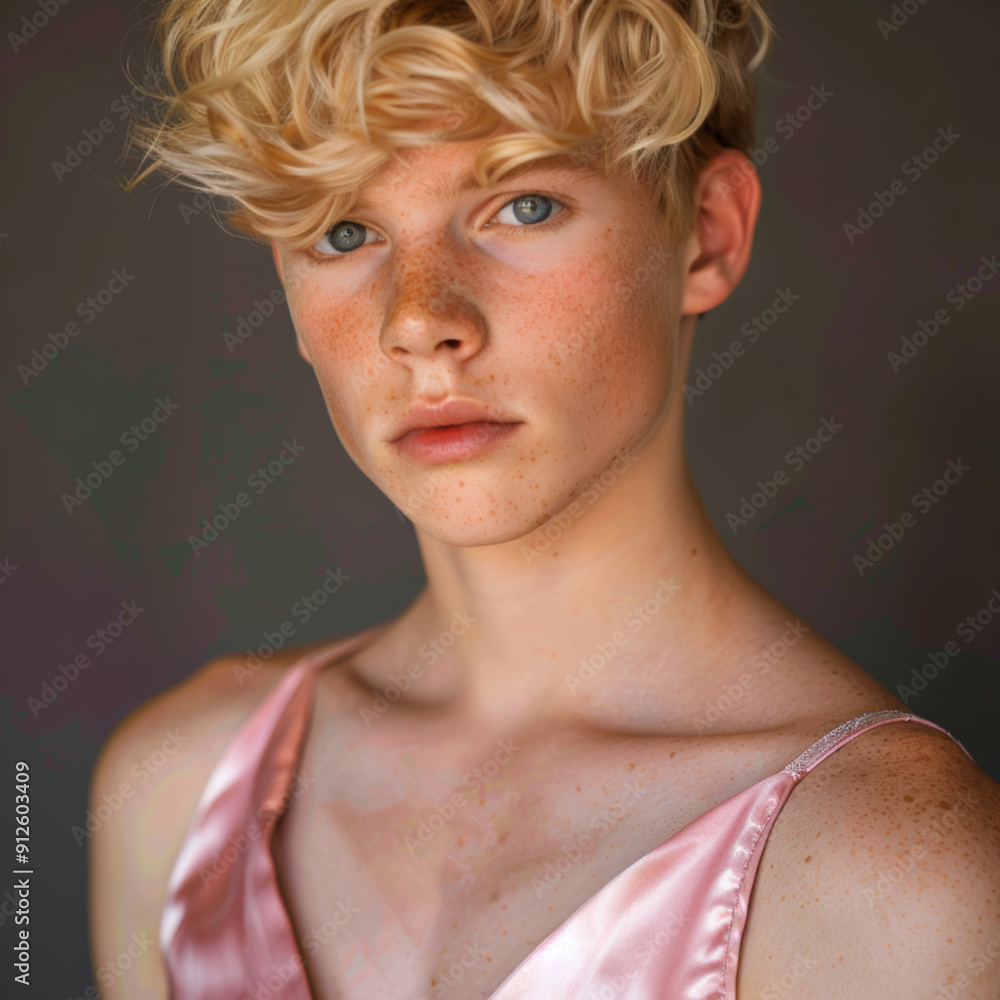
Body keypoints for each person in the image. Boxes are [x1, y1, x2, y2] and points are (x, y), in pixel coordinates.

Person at [90, 0, 1000, 997]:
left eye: (522, 205)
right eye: (345, 229)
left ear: (705, 234)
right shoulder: (175, 791)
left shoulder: (892, 871)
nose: (419, 320)